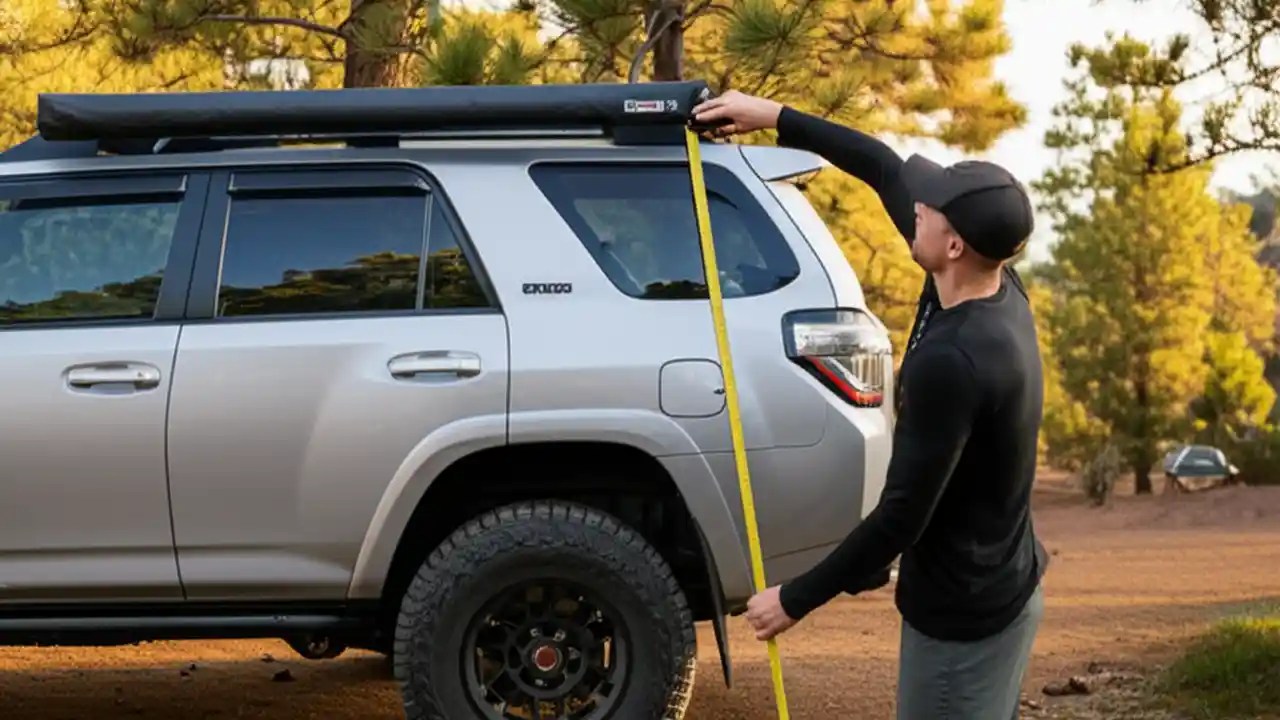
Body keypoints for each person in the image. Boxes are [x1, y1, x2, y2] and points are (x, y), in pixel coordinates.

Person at [691, 91, 1049, 720]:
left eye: (929, 207)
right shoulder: (990, 285)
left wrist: (795, 599)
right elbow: (882, 164)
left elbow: (901, 517)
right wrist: (772, 115)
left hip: (966, 620)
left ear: (955, 244)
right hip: (1001, 583)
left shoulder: (956, 362)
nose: (915, 206)